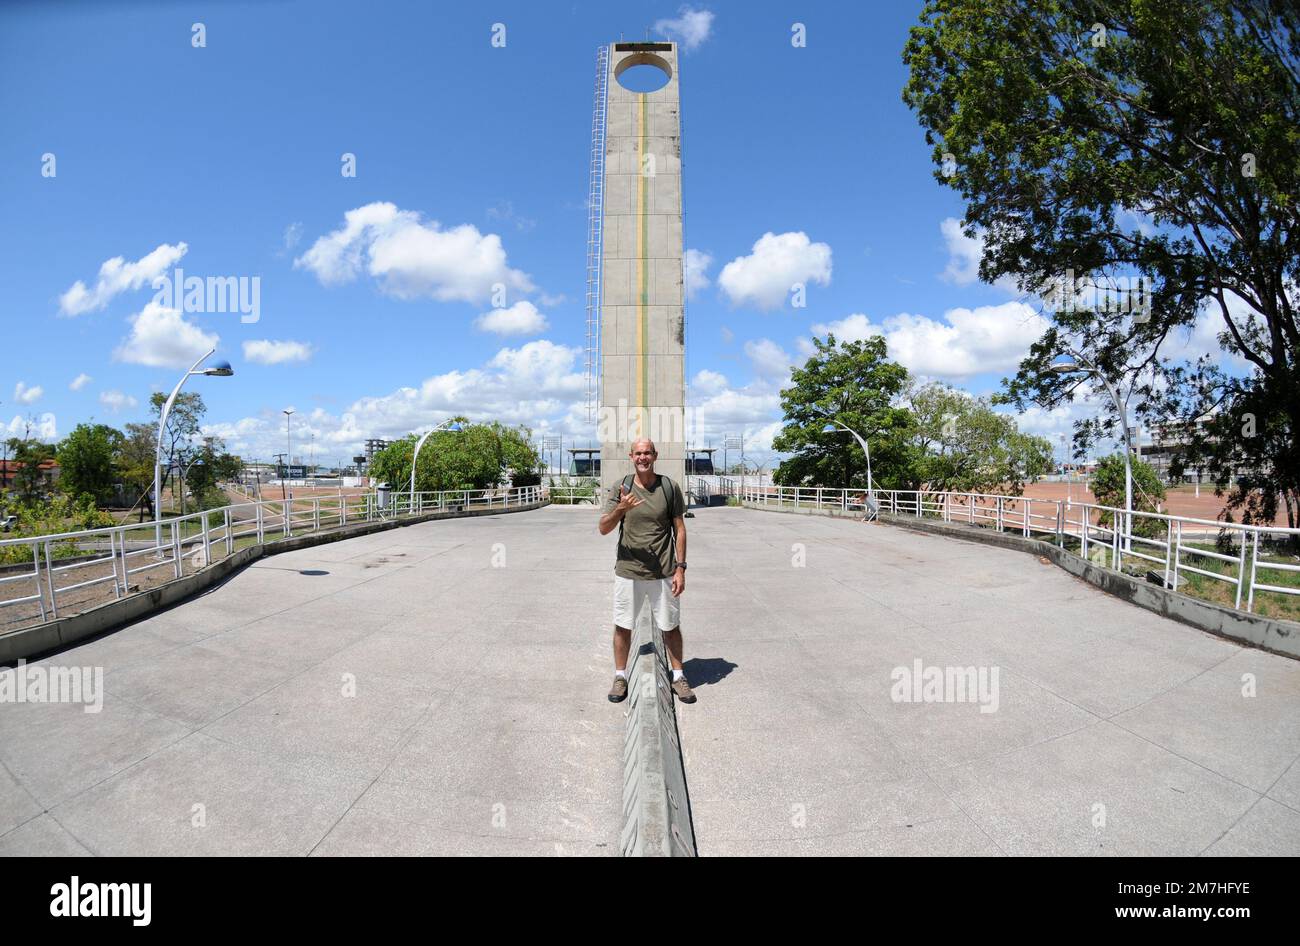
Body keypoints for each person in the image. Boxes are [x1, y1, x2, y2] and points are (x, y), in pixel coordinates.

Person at [597, 437, 695, 704]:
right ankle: (620, 676)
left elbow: (680, 529)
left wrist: (681, 568)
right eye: (638, 453)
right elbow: (603, 528)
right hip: (628, 571)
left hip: (663, 571)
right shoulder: (622, 487)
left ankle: (678, 677)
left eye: (647, 453)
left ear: (655, 455)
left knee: (671, 626)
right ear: (631, 456)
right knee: (622, 626)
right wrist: (621, 507)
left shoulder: (669, 487)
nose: (643, 458)